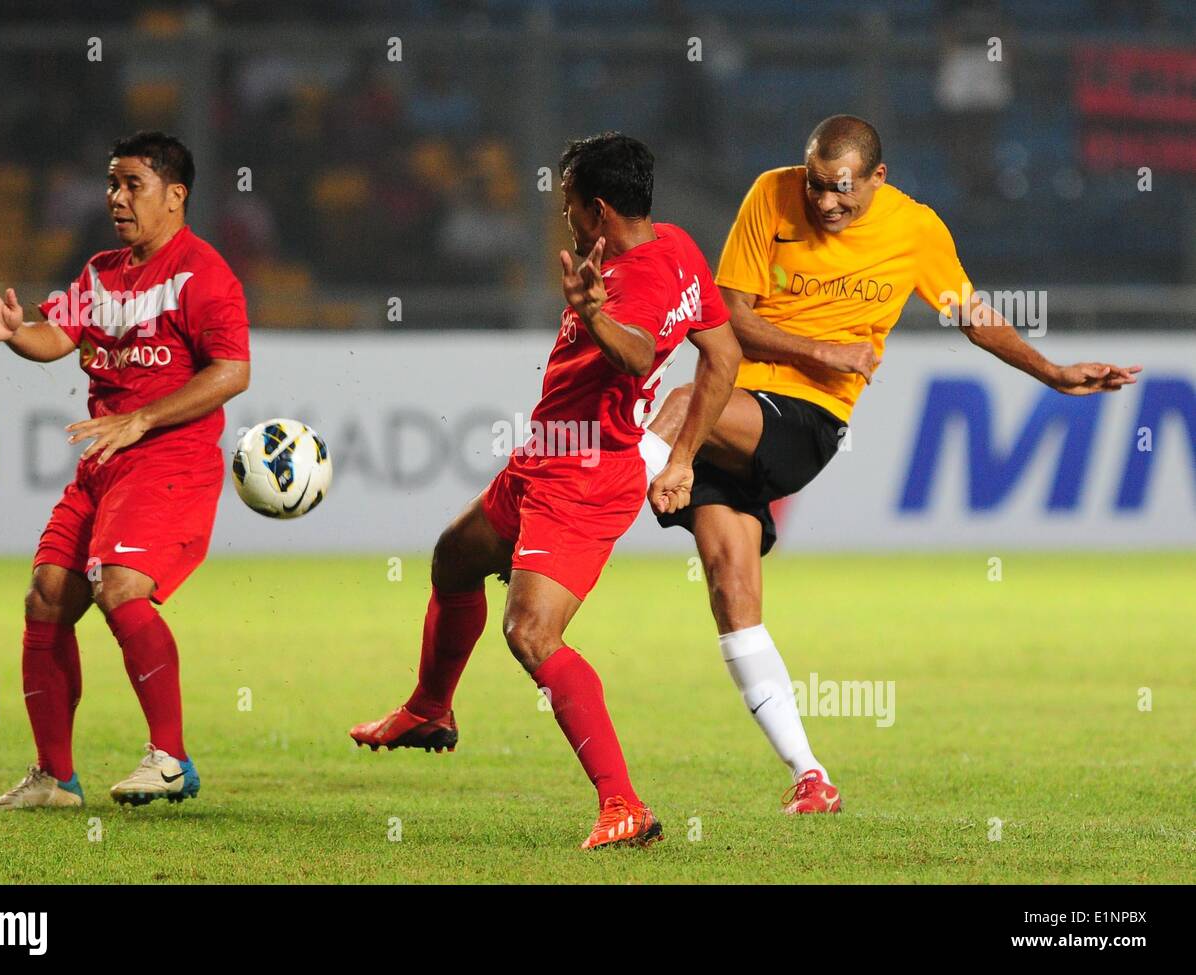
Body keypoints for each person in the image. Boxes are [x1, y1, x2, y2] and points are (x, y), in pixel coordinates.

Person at [641, 115, 1140, 815]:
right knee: (733, 596)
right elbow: (731, 316)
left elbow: (970, 311)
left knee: (676, 404)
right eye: (816, 186)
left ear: (879, 178)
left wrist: (1052, 372)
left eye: (842, 190)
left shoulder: (915, 228)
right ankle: (811, 775)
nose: (825, 203)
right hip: (735, 411)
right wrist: (821, 348)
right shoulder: (770, 195)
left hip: (803, 420)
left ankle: (585, 518)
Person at [350, 132, 741, 849]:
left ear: (596, 208)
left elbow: (639, 355)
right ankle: (431, 707)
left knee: (531, 632)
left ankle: (623, 803)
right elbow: (723, 352)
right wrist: (681, 457)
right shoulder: (679, 246)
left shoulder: (640, 278)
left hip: (587, 475)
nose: (562, 217)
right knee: (454, 558)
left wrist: (594, 313)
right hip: (545, 456)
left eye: (567, 204)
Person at [0, 131, 251, 809]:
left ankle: (170, 757)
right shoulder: (99, 271)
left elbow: (233, 371)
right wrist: (17, 335)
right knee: (46, 595)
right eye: (112, 183)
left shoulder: (204, 274)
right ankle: (54, 777)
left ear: (174, 196)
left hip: (170, 459)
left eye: (132, 184)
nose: (116, 198)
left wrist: (143, 418)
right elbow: (57, 336)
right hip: (105, 463)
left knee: (120, 583)